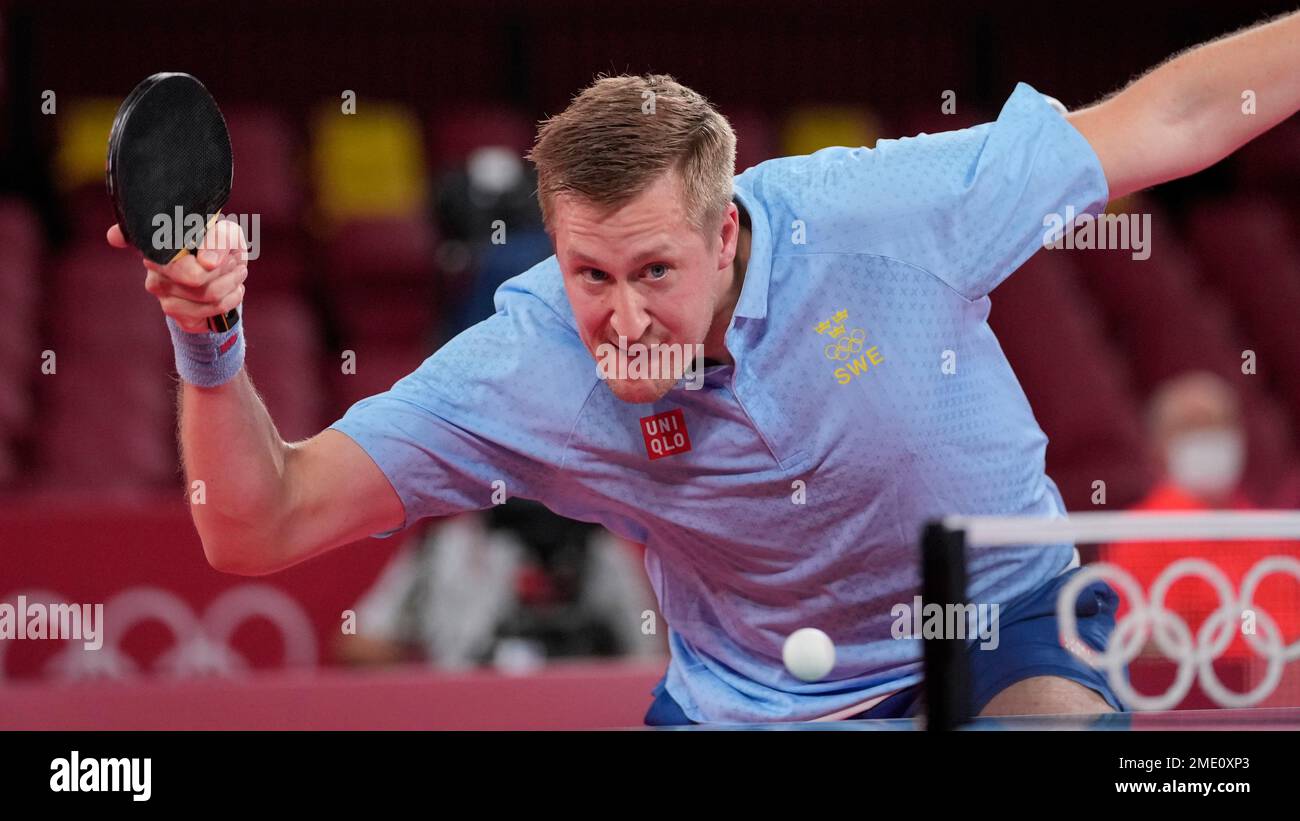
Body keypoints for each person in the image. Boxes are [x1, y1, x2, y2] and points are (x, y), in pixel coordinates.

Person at [106, 12, 1300, 724]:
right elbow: (257, 527)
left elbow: (1178, 117)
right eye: (589, 273)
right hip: (753, 698)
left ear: (726, 229)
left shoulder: (886, 213)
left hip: (994, 624)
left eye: (655, 271)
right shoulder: (528, 360)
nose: (621, 317)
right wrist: (206, 344)